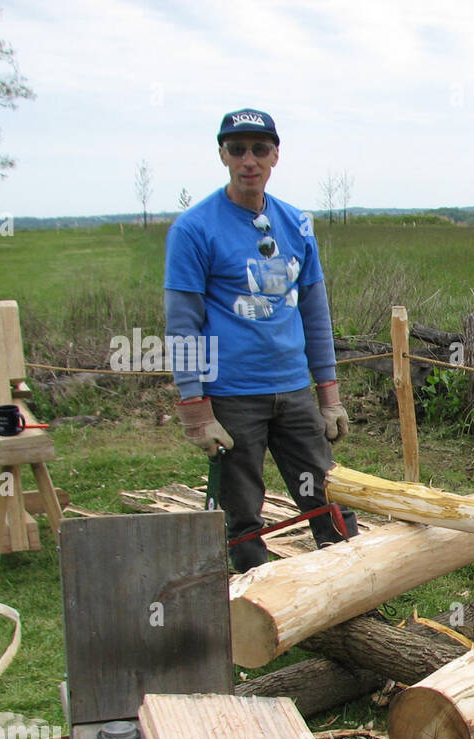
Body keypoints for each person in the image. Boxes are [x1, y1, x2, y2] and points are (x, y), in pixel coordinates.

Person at [164, 107, 356, 572]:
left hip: (293, 392)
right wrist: (196, 411)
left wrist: (327, 396)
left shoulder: (296, 224)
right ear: (223, 155)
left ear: (275, 155)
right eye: (238, 149)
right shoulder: (193, 229)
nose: (249, 160)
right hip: (231, 395)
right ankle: (256, 603)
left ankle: (353, 589)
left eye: (259, 149)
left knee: (326, 492)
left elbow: (314, 311)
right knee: (242, 511)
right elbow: (182, 320)